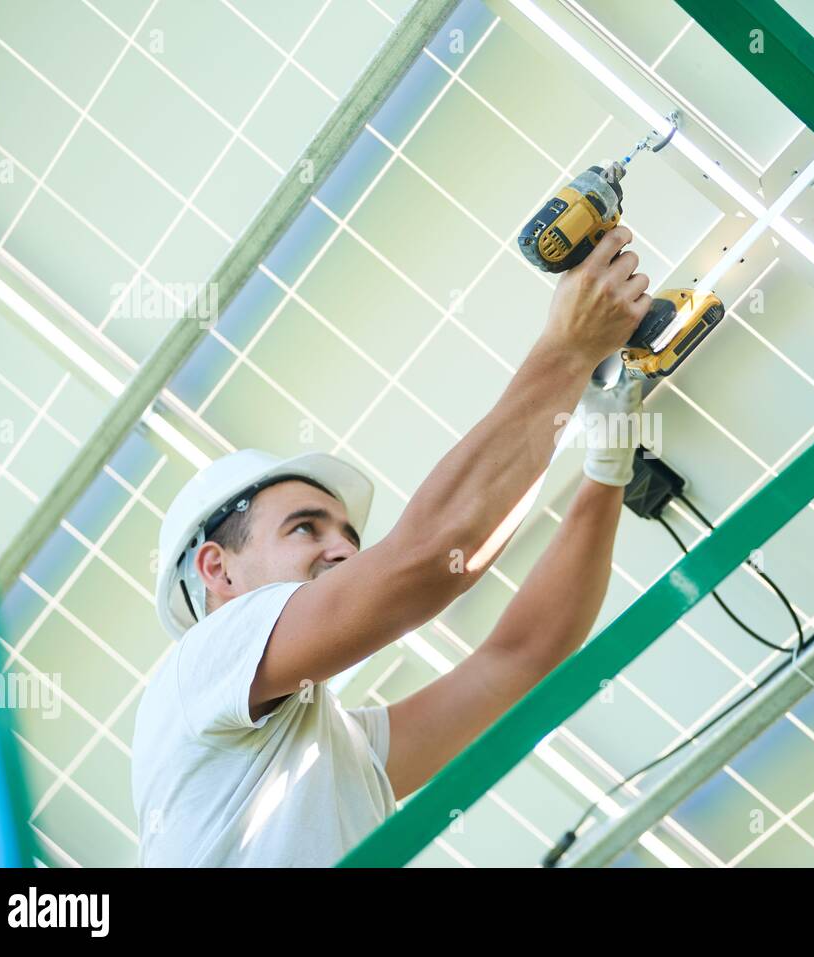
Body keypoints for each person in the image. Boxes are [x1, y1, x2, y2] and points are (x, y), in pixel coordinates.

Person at [132, 227, 651, 866]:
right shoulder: (201, 666)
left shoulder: (331, 753)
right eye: (305, 528)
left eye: (349, 535)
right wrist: (568, 352)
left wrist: (608, 465)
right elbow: (433, 555)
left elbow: (521, 659)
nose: (345, 550)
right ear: (218, 568)